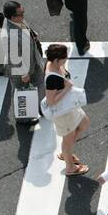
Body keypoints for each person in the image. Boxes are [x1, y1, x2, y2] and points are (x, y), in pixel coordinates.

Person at [40, 43, 90, 176]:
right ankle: (70, 167)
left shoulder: (55, 65)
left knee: (84, 123)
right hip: (63, 112)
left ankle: (65, 152)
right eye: (64, 58)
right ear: (56, 60)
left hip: (70, 106)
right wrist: (67, 88)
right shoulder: (51, 78)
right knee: (68, 139)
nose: (66, 59)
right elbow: (51, 101)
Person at [1, 0, 45, 128]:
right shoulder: (9, 35)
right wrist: (23, 73)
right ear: (13, 17)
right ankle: (23, 119)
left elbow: (26, 27)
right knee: (21, 92)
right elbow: (14, 58)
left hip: (32, 60)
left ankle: (42, 107)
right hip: (20, 70)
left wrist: (33, 34)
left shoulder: (17, 21)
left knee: (40, 83)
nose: (23, 16)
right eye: (21, 14)